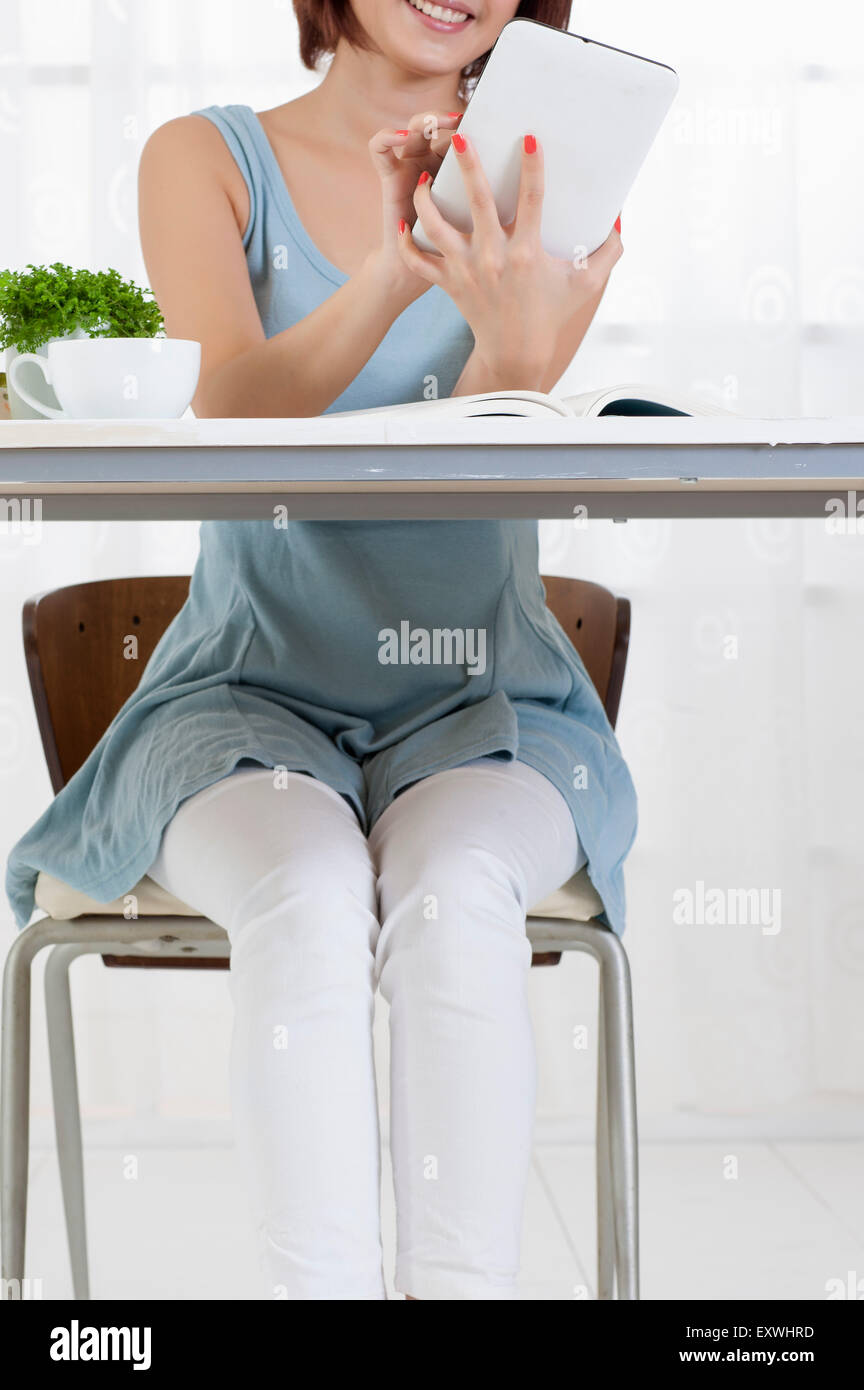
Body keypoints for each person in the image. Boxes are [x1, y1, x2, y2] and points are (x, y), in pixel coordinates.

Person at [5, 0, 637, 1300]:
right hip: (246, 700)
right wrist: (397, 271)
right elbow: (229, 406)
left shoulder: (543, 168)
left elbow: (492, 445)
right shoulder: (207, 158)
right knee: (305, 892)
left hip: (487, 699)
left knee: (455, 894)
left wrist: (518, 339)